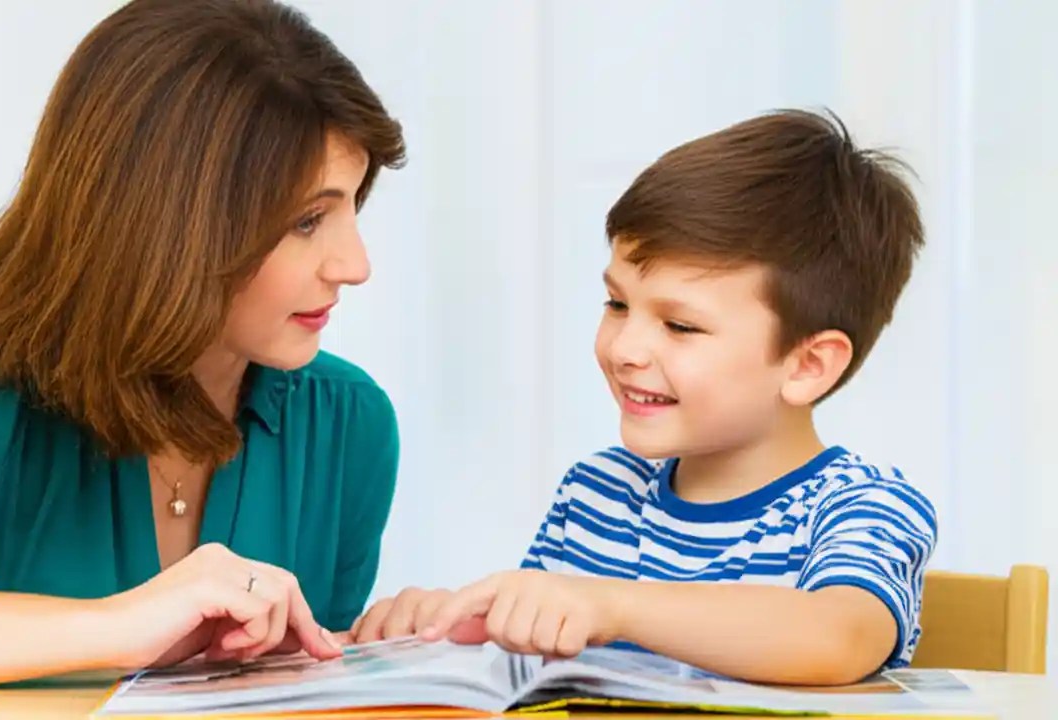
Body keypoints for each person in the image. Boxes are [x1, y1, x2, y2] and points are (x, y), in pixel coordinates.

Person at [0, 0, 405, 690]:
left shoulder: (348, 425)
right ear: (171, 225)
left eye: (352, 206)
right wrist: (119, 626)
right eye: (308, 220)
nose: (355, 264)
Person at [352, 110, 936, 686]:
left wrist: (611, 606)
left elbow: (837, 639)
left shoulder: (862, 507)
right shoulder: (597, 494)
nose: (625, 348)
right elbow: (529, 670)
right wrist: (451, 629)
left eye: (680, 327)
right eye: (617, 305)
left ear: (807, 365)